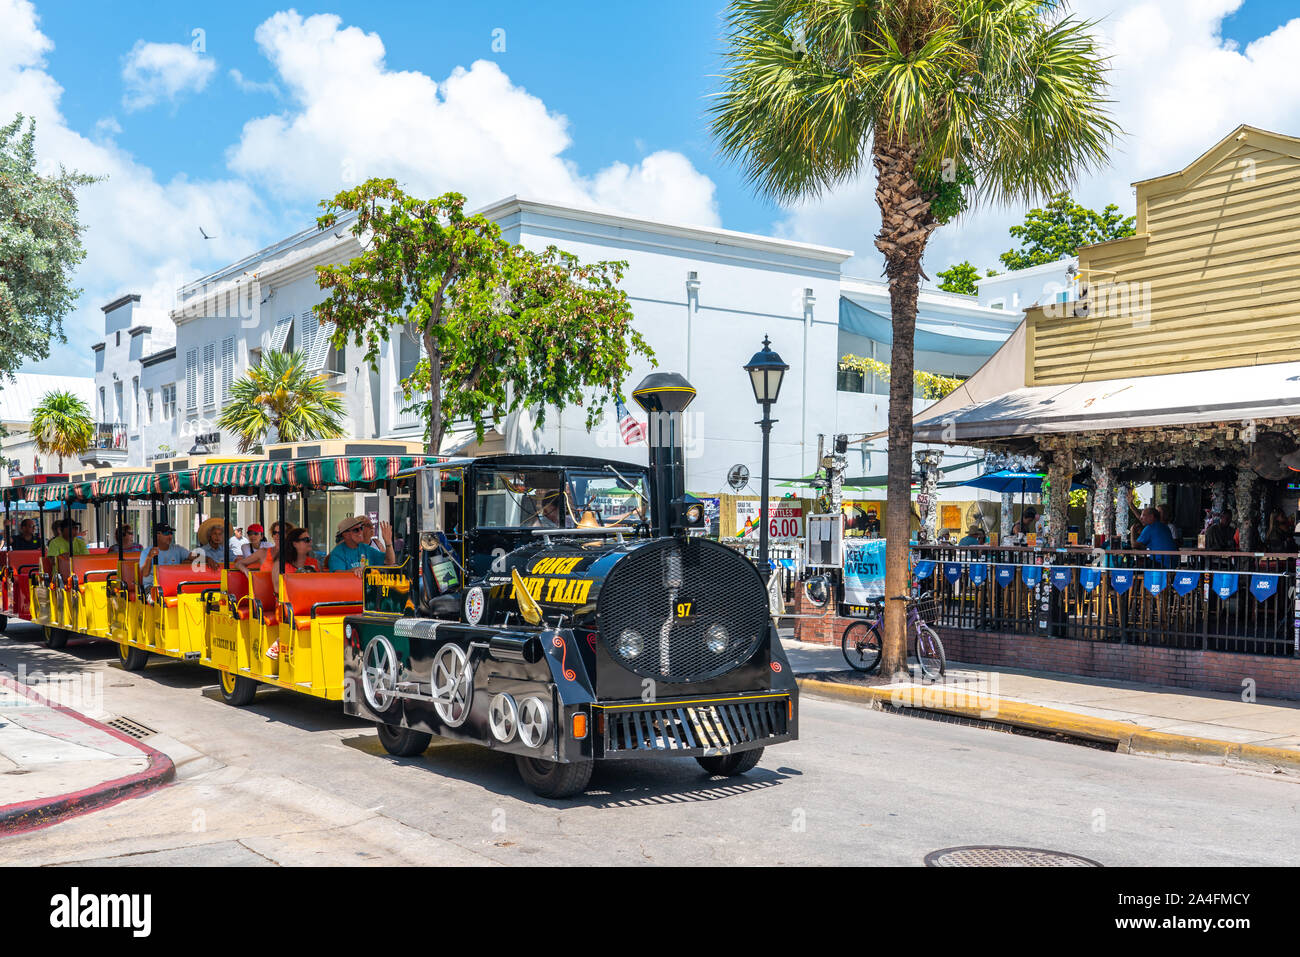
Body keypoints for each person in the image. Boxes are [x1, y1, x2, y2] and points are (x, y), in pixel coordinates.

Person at [328, 515, 394, 573]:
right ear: (346, 535)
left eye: (361, 528)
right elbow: (337, 575)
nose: (360, 532)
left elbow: (389, 561)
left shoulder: (365, 548)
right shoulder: (337, 553)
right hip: (351, 587)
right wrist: (353, 571)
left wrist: (388, 542)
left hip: (367, 586)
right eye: (356, 530)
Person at [138, 523, 193, 588]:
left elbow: (193, 556)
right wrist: (149, 558)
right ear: (157, 535)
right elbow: (145, 573)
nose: (170, 536)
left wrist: (205, 558)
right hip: (152, 586)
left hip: (174, 585)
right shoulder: (146, 552)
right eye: (166, 533)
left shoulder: (177, 549)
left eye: (171, 533)